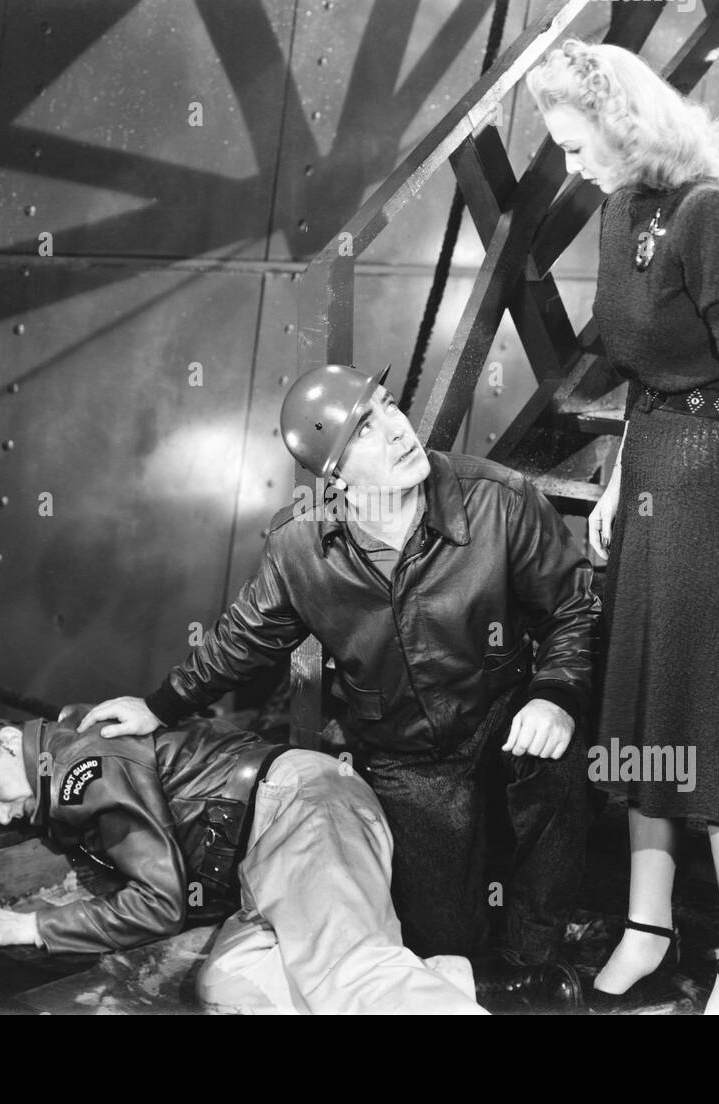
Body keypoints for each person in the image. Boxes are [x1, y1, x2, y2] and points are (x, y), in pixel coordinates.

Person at [78, 365, 599, 1002]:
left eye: (388, 406)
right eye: (366, 428)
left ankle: (536, 968)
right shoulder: (301, 547)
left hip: (500, 713)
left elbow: (574, 608)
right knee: (445, 942)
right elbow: (243, 639)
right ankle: (494, 979)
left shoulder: (498, 499)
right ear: (334, 472)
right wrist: (160, 705)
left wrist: (557, 696)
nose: (398, 429)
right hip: (409, 757)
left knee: (557, 759)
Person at [526, 38, 719, 1014]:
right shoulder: (618, 208)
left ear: (625, 129)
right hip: (648, 483)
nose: (570, 165)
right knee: (639, 715)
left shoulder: (707, 213)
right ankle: (647, 922)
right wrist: (610, 484)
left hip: (717, 487)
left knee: (715, 726)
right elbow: (642, 376)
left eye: (576, 145)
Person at [0, 706, 487, 1014]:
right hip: (258, 862)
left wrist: (24, 925)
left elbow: (159, 902)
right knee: (229, 987)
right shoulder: (57, 782)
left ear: (8, 742)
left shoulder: (83, 771)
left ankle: (396, 987)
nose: (1, 818)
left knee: (348, 975)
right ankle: (438, 983)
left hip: (299, 809)